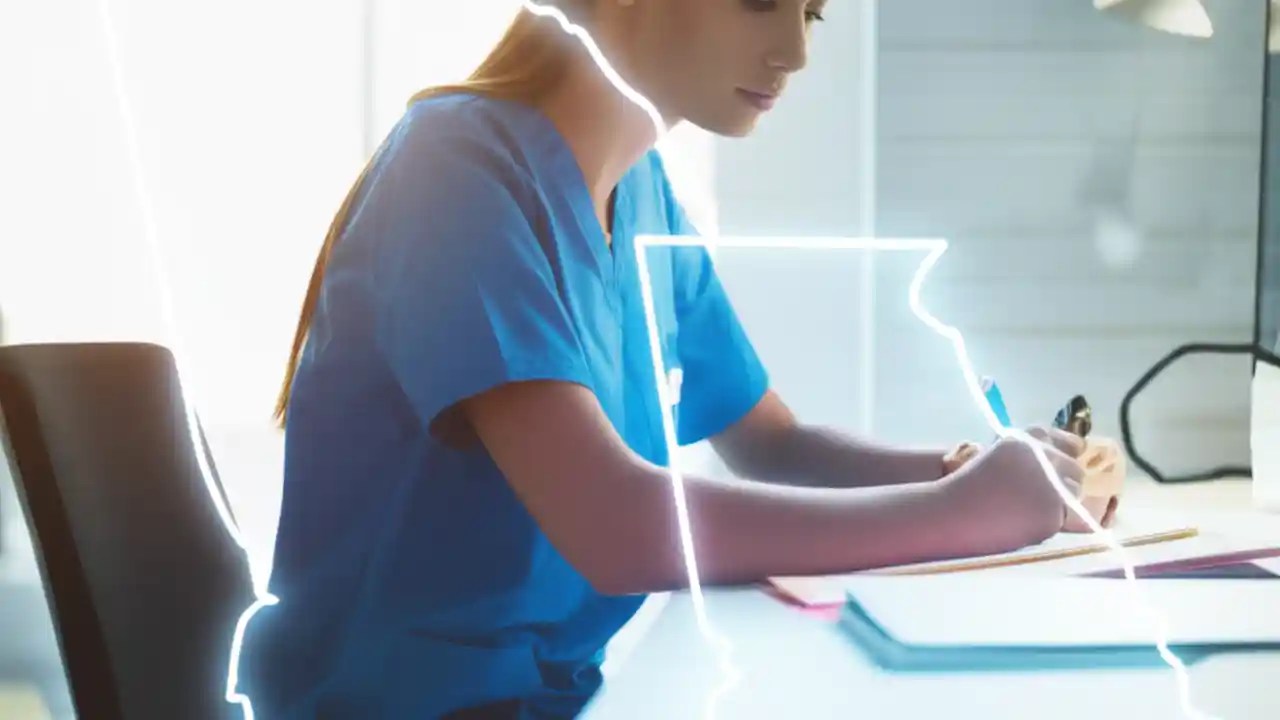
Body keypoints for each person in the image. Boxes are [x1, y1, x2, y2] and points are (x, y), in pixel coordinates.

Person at [237, 1, 1087, 717]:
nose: (794, 50)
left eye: (814, 11)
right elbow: (617, 527)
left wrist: (975, 471)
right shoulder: (454, 171)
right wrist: (961, 514)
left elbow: (774, 445)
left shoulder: (644, 196)